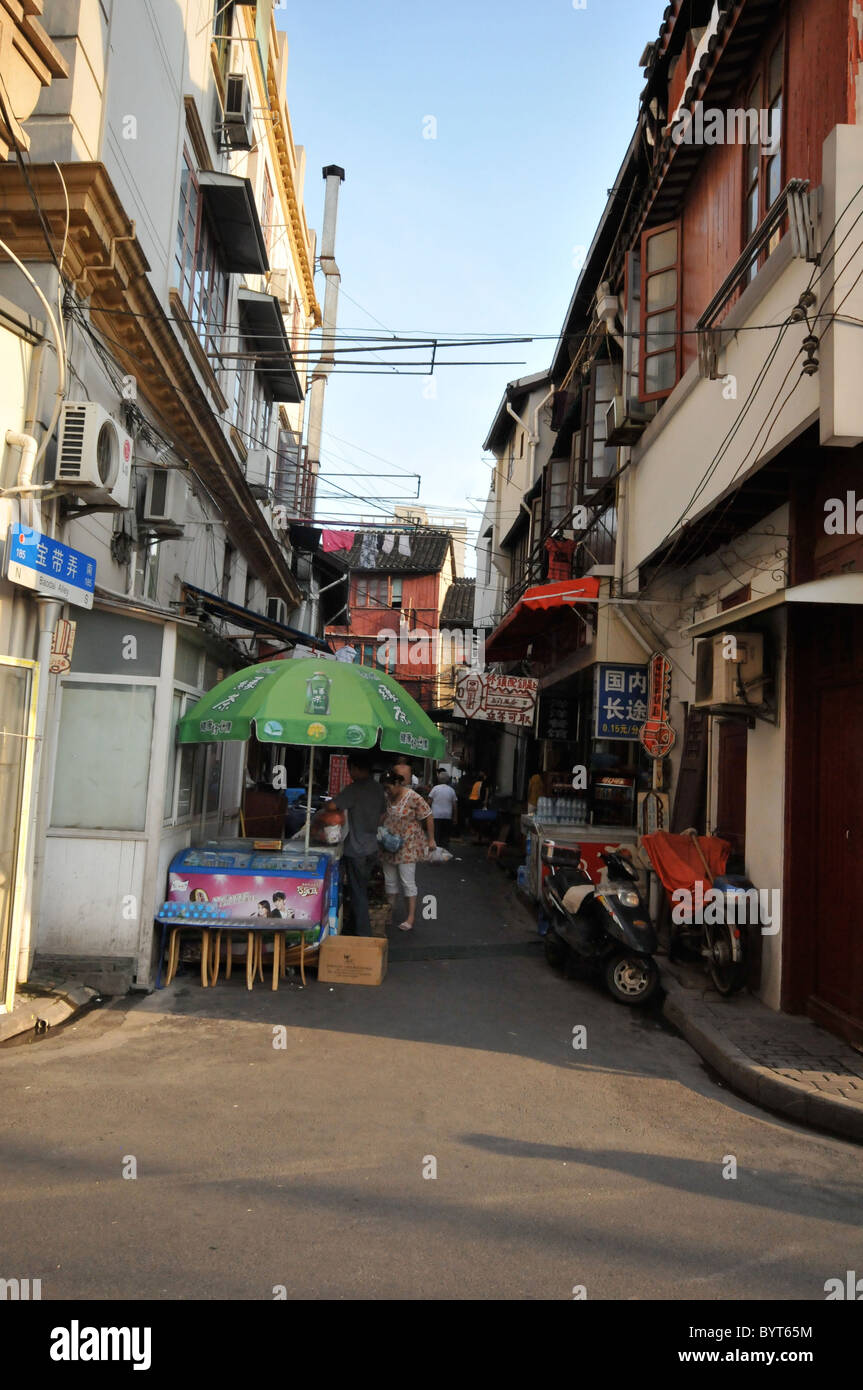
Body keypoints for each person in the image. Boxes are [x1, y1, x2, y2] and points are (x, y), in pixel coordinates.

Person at [314, 751, 386, 936]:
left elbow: (332, 807)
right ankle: (351, 929)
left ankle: (364, 937)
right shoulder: (378, 789)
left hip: (356, 849)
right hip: (371, 847)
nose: (349, 772)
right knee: (359, 888)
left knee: (358, 893)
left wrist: (323, 806)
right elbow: (382, 815)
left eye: (350, 768)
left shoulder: (355, 789)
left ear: (355, 768)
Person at [380, 770, 435, 932]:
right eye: (384, 788)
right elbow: (384, 815)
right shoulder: (387, 797)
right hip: (388, 844)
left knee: (407, 882)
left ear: (397, 783)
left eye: (388, 787)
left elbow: (428, 815)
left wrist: (431, 839)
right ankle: (389, 913)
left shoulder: (413, 797)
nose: (387, 791)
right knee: (389, 880)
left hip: (408, 845)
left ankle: (410, 917)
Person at [427, 770, 458, 848]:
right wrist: (455, 817)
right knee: (445, 835)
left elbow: (429, 803)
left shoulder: (435, 789)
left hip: (436, 816)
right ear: (448, 780)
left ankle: (437, 852)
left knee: (436, 835)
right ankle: (444, 852)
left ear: (439, 779)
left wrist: (426, 815)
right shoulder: (451, 790)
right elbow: (455, 805)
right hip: (447, 816)